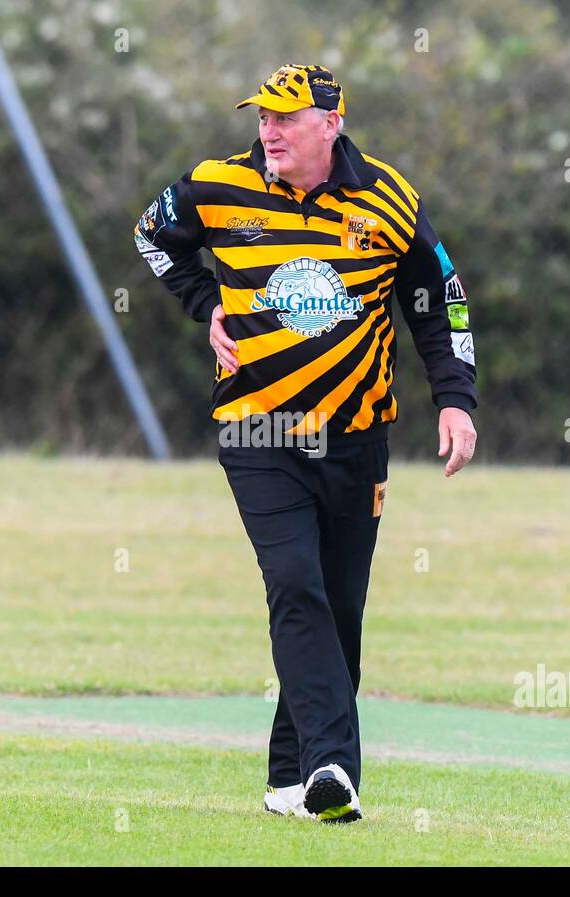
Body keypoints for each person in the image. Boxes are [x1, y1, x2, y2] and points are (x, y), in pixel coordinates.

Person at [133, 64, 477, 823]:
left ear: (332, 122)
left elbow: (438, 298)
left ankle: (288, 778)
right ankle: (332, 770)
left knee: (339, 611)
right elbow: (151, 236)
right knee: (295, 583)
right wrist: (204, 305)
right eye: (262, 117)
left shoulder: (388, 198)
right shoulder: (215, 185)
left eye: (286, 119)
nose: (268, 131)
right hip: (257, 428)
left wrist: (454, 401)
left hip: (358, 438)